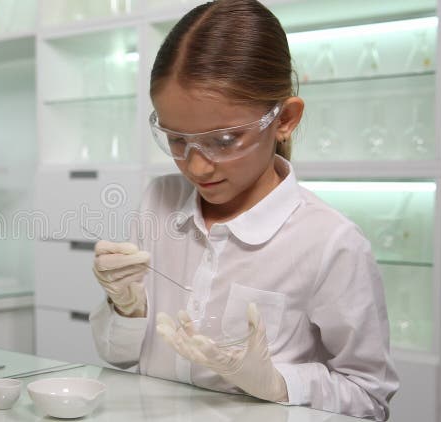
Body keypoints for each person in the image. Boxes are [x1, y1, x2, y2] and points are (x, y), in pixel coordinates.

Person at [88, 0, 399, 420]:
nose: (196, 165)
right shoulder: (158, 201)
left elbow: (370, 398)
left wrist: (278, 383)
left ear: (284, 119)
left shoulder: (330, 243)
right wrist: (126, 308)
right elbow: (120, 361)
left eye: (224, 139)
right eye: (177, 139)